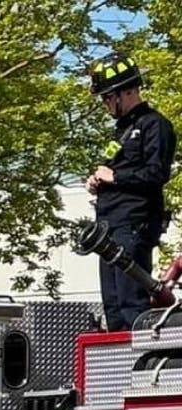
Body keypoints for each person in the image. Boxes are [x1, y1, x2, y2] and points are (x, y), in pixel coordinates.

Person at [86, 52, 177, 331]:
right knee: (113, 307)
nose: (104, 105)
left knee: (130, 304)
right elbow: (115, 173)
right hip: (109, 227)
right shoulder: (122, 130)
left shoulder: (155, 125)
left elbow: (156, 173)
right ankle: (119, 367)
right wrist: (98, 180)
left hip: (134, 224)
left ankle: (140, 365)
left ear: (125, 92)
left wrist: (115, 176)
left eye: (106, 97)